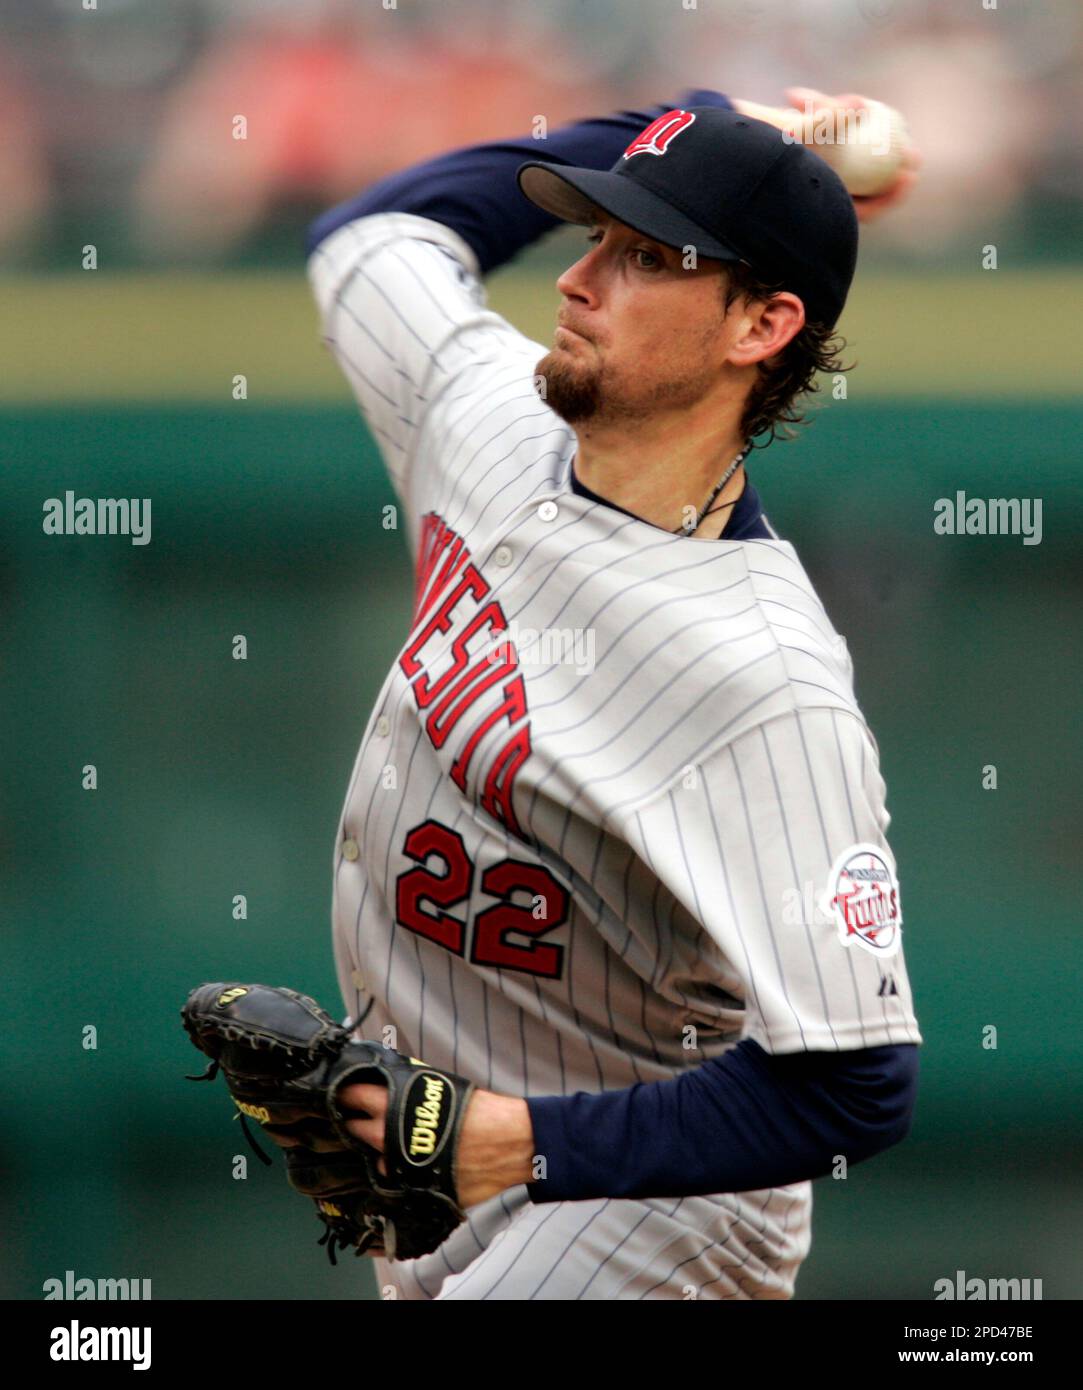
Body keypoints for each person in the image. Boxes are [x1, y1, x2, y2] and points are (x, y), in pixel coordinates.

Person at [298, 86, 923, 1300]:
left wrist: (519, 1144)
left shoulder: (763, 681)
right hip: (450, 1184)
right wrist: (706, 123)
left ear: (763, 323)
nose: (577, 280)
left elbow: (858, 1082)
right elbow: (378, 237)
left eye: (643, 254)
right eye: (590, 235)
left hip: (655, 1209)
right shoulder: (484, 416)